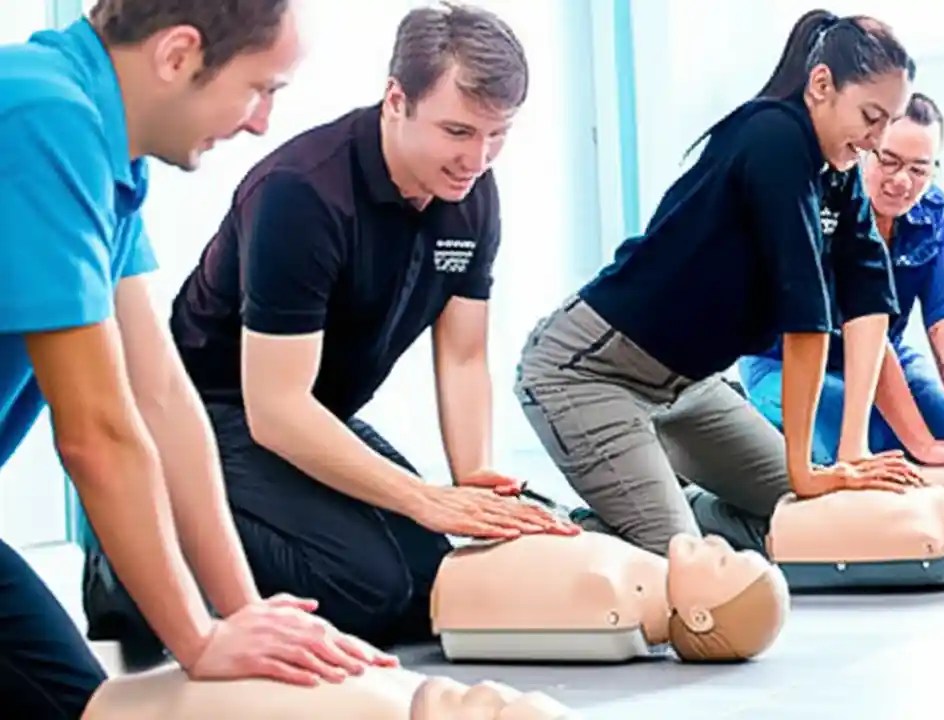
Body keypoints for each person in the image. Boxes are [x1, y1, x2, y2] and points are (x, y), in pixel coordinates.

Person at [80, 2, 578, 656]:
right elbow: (274, 410)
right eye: (458, 131)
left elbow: (461, 357)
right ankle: (129, 551)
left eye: (497, 134)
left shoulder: (471, 194)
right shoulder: (302, 193)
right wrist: (425, 499)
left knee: (432, 579)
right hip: (216, 412)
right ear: (396, 99)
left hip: (312, 412)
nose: (476, 158)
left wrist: (474, 477)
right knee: (368, 587)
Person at [0, 1, 400, 717]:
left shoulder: (100, 145)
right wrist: (196, 637)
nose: (260, 123)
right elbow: (96, 431)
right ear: (178, 54)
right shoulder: (42, 118)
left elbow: (159, 395)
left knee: (88, 708)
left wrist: (243, 613)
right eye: (260, 88)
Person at [513, 10, 923, 558]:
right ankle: (544, 520)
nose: (875, 143)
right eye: (870, 117)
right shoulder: (773, 137)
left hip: (687, 388)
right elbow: (806, 314)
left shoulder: (838, 173)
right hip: (590, 371)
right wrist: (804, 469)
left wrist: (852, 449)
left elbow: (869, 296)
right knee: (685, 564)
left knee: (814, 523)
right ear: (821, 84)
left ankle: (665, 506)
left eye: (886, 124)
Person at [738, 93, 944, 467]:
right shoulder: (827, 209)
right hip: (787, 360)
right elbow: (863, 323)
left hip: (887, 353)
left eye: (919, 170)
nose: (901, 181)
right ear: (865, 148)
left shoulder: (933, 212)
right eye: (888, 161)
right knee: (855, 452)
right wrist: (923, 446)